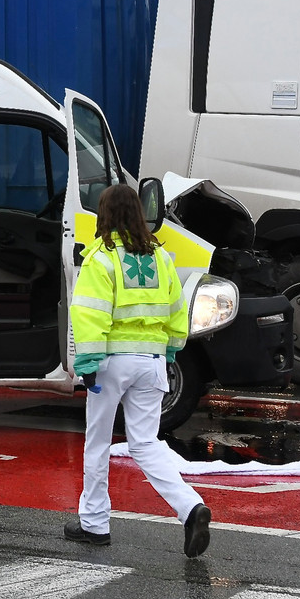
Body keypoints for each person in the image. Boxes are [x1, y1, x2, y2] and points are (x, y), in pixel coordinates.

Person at [64, 184, 212, 558]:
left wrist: (88, 363)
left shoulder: (101, 258)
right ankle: (190, 507)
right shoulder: (161, 258)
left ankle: (94, 524)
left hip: (111, 363)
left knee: (97, 442)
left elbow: (89, 313)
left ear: (105, 216)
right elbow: (179, 311)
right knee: (145, 443)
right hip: (152, 362)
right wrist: (172, 349)